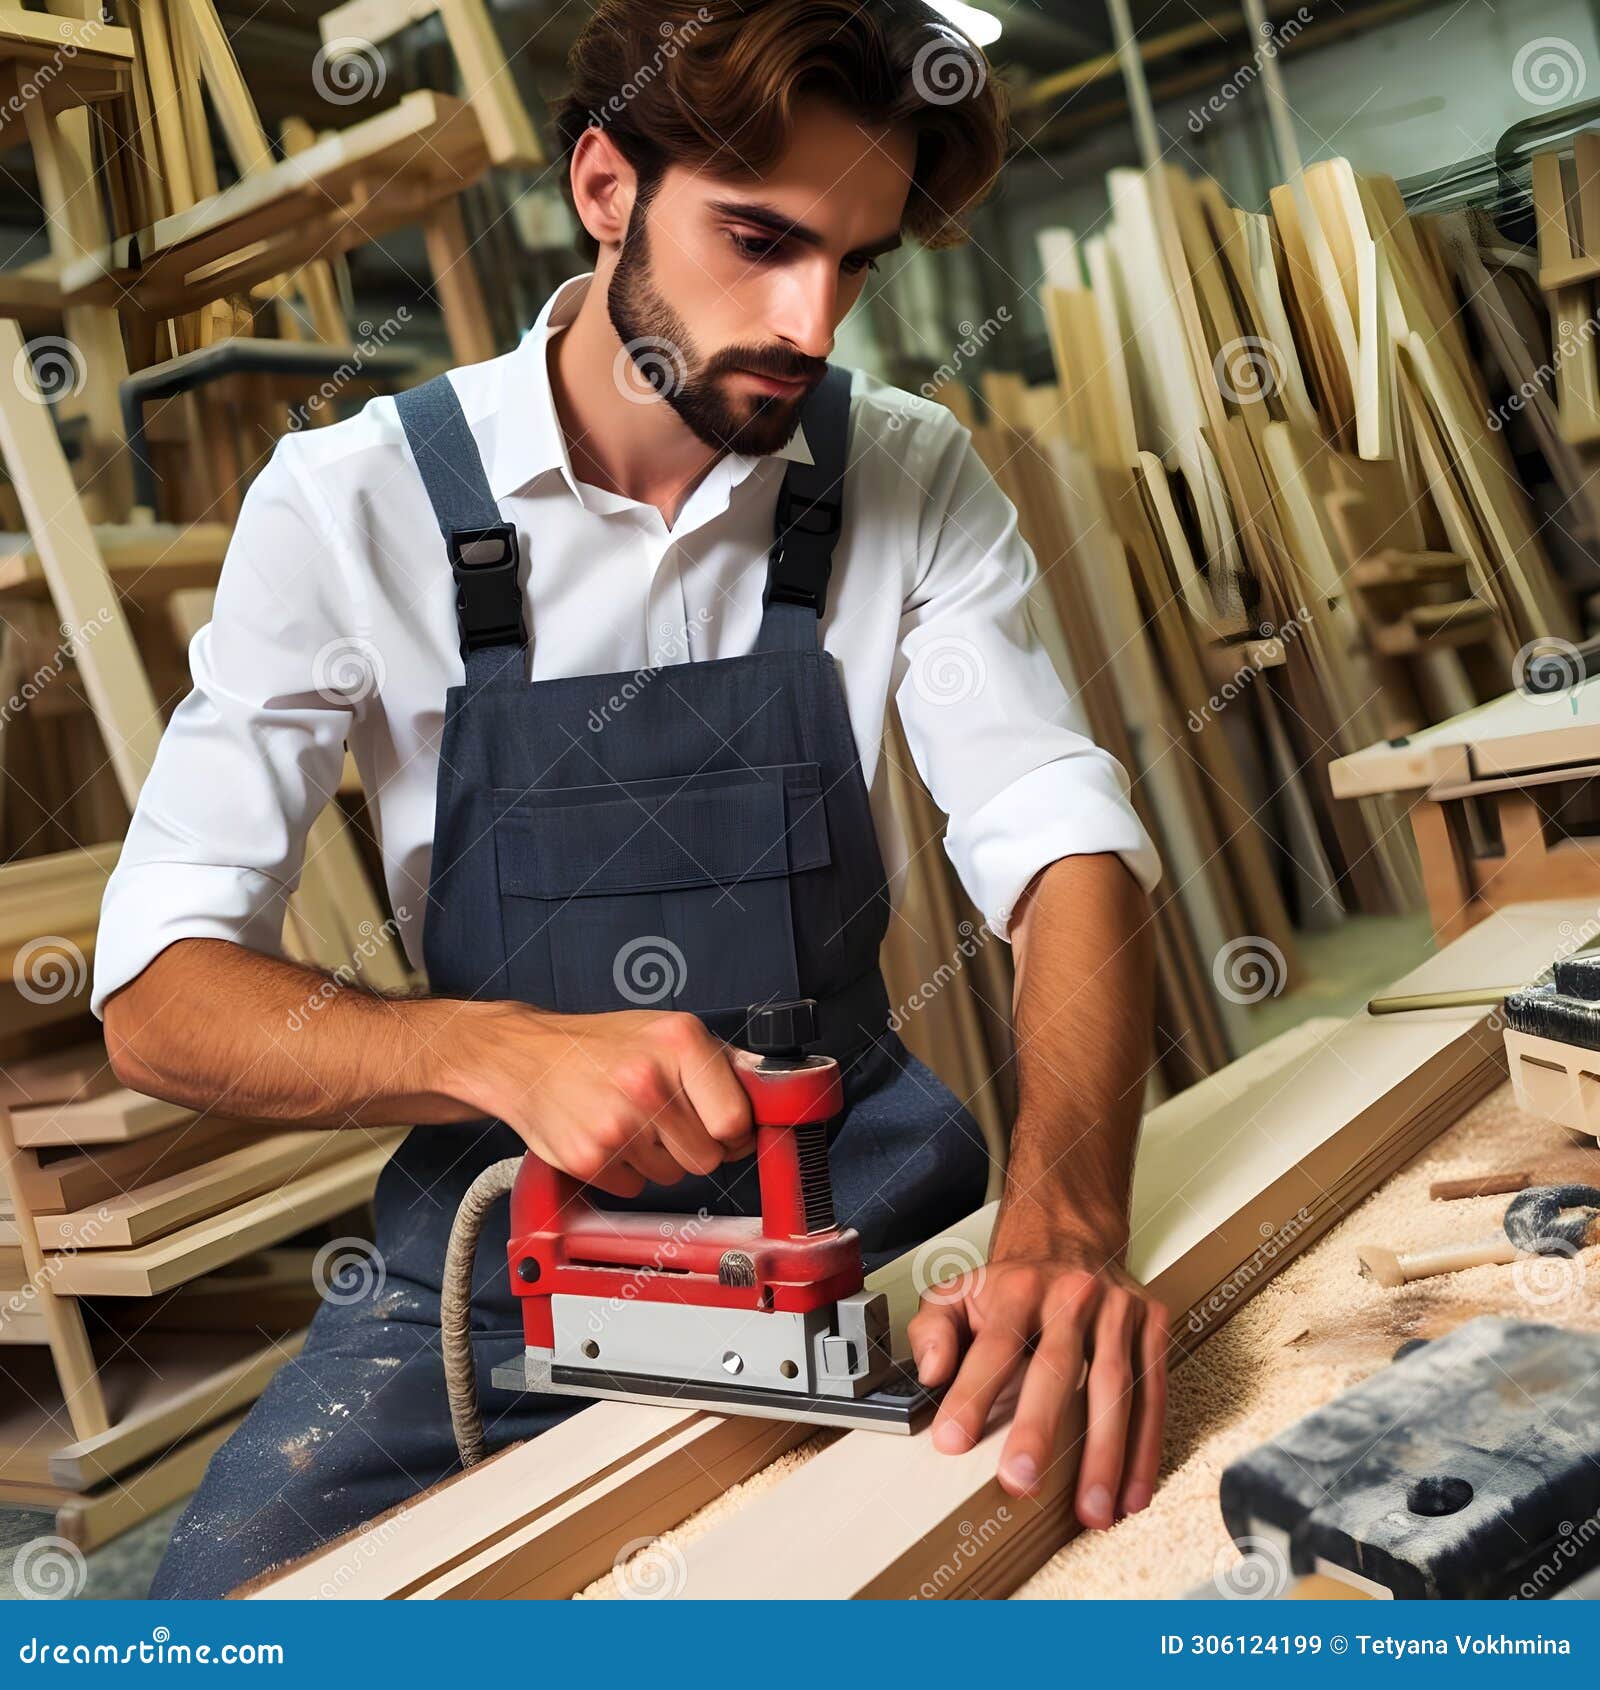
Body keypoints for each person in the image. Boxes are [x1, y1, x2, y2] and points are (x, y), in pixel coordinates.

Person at [94, 0, 1167, 1599]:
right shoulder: (351, 505)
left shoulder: (909, 470)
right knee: (214, 1616)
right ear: (606, 187)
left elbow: (1060, 842)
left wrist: (1066, 1213)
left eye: (857, 260)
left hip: (852, 1201)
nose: (812, 323)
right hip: (506, 1238)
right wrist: (494, 1051)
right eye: (758, 238)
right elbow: (154, 990)